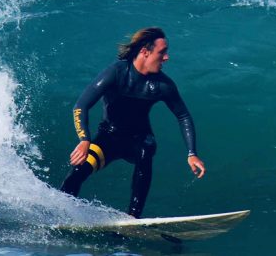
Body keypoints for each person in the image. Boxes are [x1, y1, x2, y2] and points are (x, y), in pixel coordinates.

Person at [59, 27, 206, 217]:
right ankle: (61, 210)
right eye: (162, 52)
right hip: (109, 137)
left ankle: (133, 217)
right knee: (79, 169)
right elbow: (81, 106)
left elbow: (183, 116)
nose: (167, 57)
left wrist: (192, 153)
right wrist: (84, 139)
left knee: (146, 151)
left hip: (139, 139)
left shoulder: (163, 85)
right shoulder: (116, 72)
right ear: (145, 51)